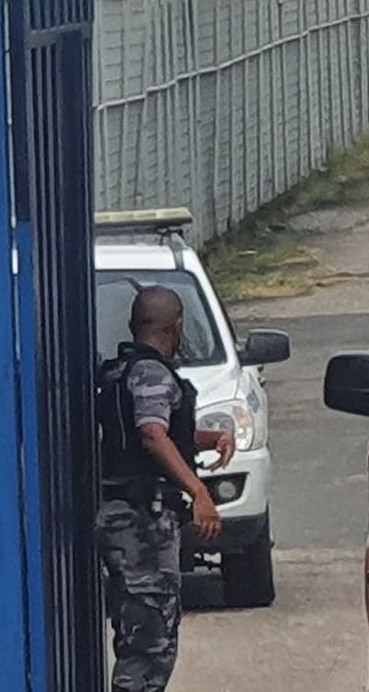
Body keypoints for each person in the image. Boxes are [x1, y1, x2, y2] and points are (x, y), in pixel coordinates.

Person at [95, 285, 235, 692]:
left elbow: (151, 435)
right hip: (143, 524)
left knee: (141, 632)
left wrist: (207, 438)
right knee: (149, 644)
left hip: (124, 518)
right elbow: (153, 435)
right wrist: (200, 492)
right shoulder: (152, 372)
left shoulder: (120, 373)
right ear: (177, 328)